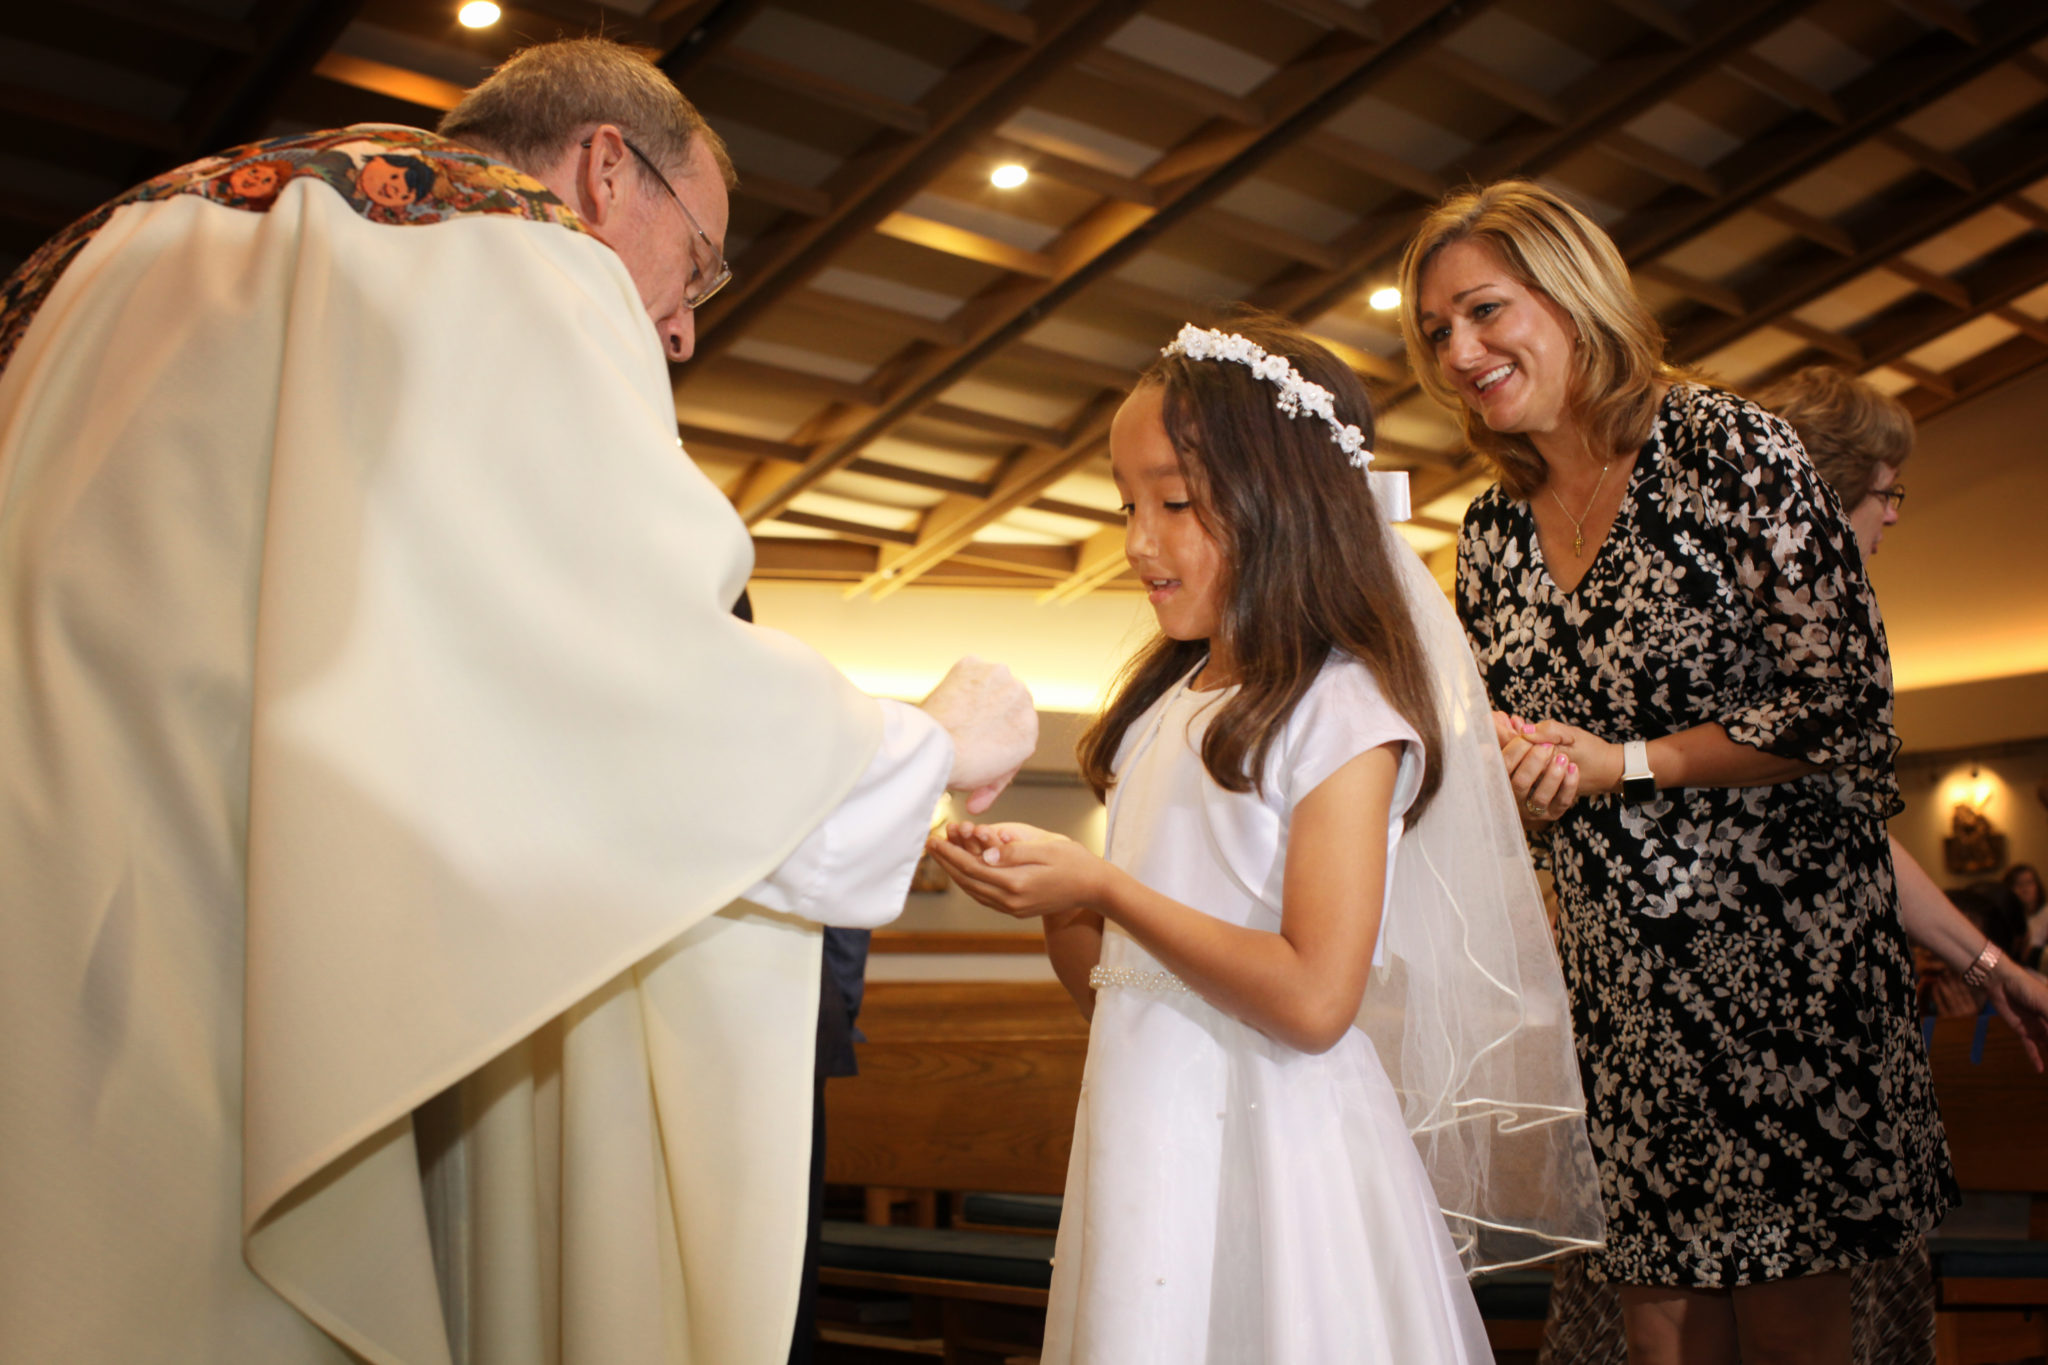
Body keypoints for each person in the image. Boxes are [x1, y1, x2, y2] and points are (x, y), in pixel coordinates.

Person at [0, 37, 1037, 1365]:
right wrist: (939, 733)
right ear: (606, 171)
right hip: (219, 990)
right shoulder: (499, 246)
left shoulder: (128, 252)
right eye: (699, 262)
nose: (682, 325)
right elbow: (640, 702)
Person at [925, 314, 1603, 1364]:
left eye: (1177, 504)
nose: (1138, 542)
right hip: (1151, 1143)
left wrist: (1103, 887)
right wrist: (1050, 899)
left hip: (1283, 1161)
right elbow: (1117, 986)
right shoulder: (1162, 712)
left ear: (1279, 503)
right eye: (1127, 505)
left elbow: (1312, 999)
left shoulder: (1342, 713)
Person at [1402, 179, 1959, 1365]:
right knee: (1653, 1333)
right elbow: (1503, 726)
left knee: (1791, 1323)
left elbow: (1843, 701)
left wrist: (1626, 766)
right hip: (1618, 980)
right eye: (1435, 331)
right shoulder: (1491, 528)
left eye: (1484, 311)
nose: (1459, 350)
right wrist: (1524, 766)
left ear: (1571, 292)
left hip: (1782, 960)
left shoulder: (1725, 449)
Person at [1530, 365, 2048, 1365]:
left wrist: (1989, 971)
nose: (1894, 514)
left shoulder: (1803, 642)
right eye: (1884, 490)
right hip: (1731, 1055)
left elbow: (1854, 838)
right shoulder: (1711, 649)